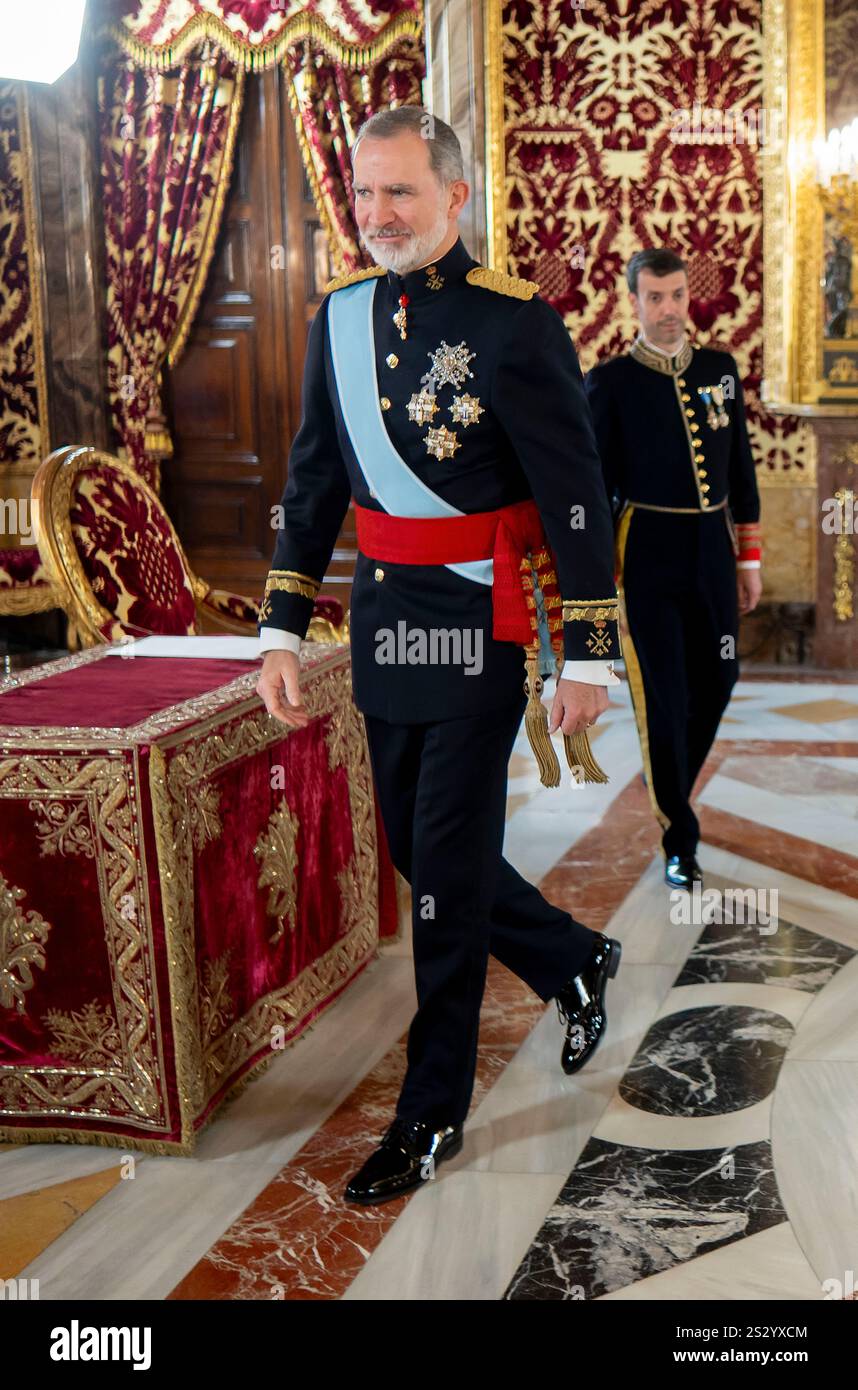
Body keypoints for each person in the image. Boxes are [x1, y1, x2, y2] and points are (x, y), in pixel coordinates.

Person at [255, 105, 622, 1205]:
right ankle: (571, 957)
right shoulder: (339, 316)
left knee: (445, 872)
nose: (377, 215)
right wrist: (279, 629)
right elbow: (316, 476)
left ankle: (429, 1117)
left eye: (400, 192)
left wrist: (588, 655)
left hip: (477, 624)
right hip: (381, 620)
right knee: (425, 855)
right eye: (364, 194)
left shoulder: (516, 323)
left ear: (456, 197)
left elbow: (572, 493)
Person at [585, 248, 762, 891]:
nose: (667, 310)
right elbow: (596, 490)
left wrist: (749, 558)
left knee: (719, 675)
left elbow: (741, 468)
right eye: (654, 297)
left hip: (711, 547)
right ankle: (678, 838)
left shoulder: (721, 370)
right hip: (647, 549)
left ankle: (667, 777)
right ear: (633, 300)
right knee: (665, 696)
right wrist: (604, 587)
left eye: (677, 296)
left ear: (691, 297)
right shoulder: (610, 383)